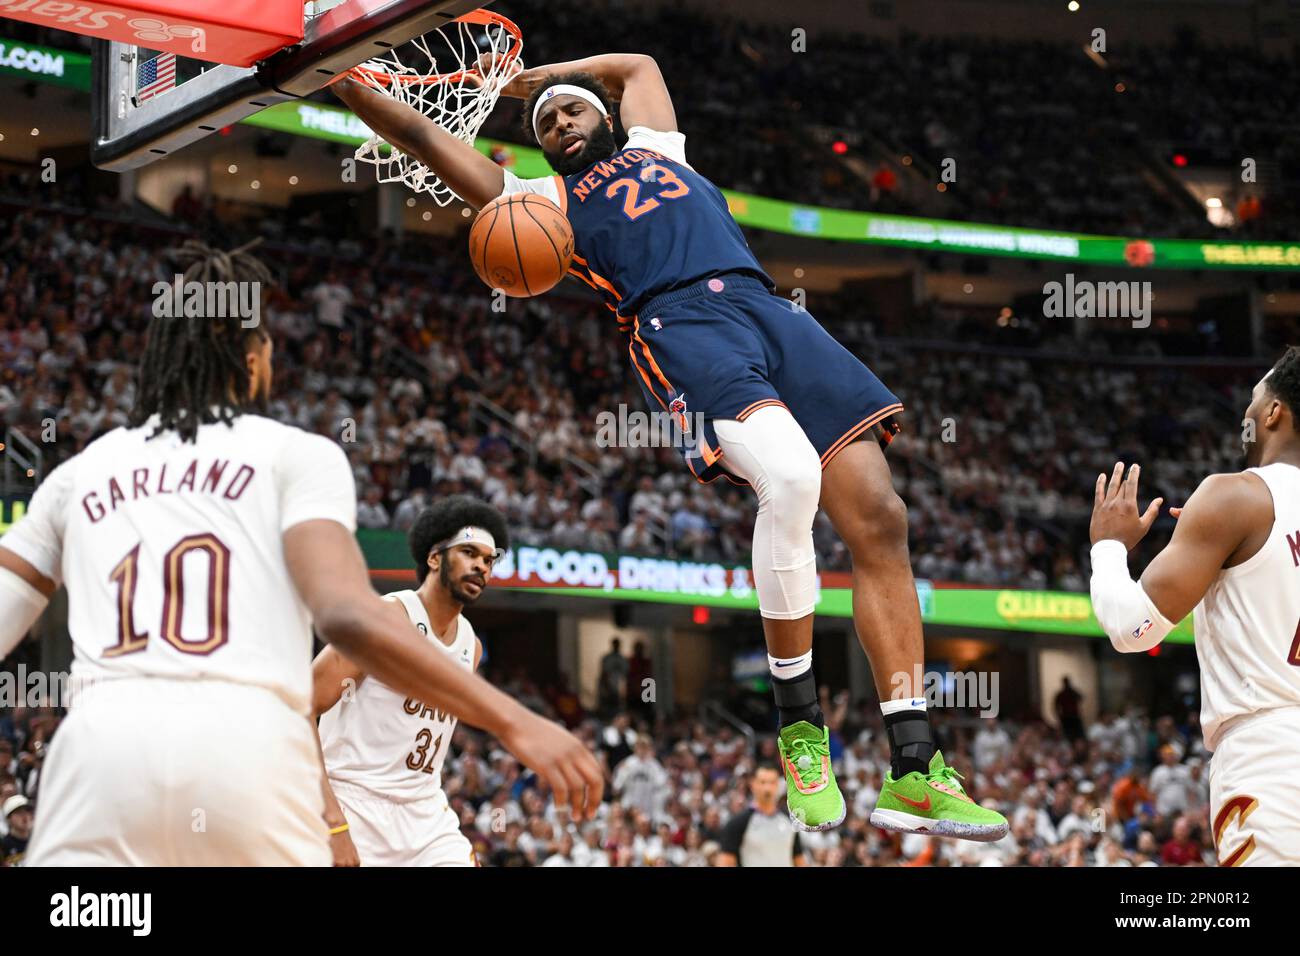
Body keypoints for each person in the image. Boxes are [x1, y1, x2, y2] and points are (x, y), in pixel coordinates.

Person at [332, 48, 1004, 838]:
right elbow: (422, 137)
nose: (557, 123)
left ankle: (917, 767)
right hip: (680, 325)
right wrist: (339, 76)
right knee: (788, 479)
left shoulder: (658, 147)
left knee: (881, 517)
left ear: (606, 116)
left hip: (768, 309)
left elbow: (641, 63)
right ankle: (799, 730)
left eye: (571, 110)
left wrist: (534, 79)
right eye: (545, 123)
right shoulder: (540, 200)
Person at [0, 240, 602, 866]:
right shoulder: (296, 457)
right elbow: (345, 616)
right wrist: (513, 720)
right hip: (243, 758)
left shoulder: (79, 473)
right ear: (255, 360)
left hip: (101, 763)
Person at [1090, 347, 1300, 865]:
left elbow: (1132, 628)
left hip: (1273, 759)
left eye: (1255, 400)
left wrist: (1109, 546)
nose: (1246, 413)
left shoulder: (1236, 496)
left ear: (1274, 413)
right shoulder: (1238, 508)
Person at [314, 495, 505, 867]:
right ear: (435, 558)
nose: (481, 566)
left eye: (488, 559)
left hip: (424, 812)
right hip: (352, 801)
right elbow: (299, 707)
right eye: (469, 552)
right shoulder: (380, 620)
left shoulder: (472, 647)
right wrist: (332, 823)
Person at [715, 766, 807, 867]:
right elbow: (725, 861)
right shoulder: (738, 823)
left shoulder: (790, 821)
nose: (767, 788)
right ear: (752, 784)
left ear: (778, 785)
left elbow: (799, 859)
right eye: (762, 782)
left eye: (772, 782)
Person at [598, 637, 628, 717]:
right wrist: (605, 688)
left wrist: (623, 690)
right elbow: (603, 673)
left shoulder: (622, 659)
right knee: (608, 709)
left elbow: (625, 675)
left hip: (619, 687)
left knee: (618, 709)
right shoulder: (607, 658)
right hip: (608, 687)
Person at [1, 794, 32, 866]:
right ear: (9, 819)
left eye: (27, 811)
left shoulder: (38, 839)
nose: (25, 816)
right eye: (19, 812)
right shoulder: (4, 846)